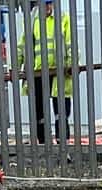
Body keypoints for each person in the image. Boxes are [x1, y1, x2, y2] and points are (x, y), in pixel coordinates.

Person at [25, 0, 72, 145]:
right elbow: (23, 44)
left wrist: (71, 63)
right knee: (40, 110)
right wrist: (17, 65)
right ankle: (44, 142)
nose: (47, 7)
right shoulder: (33, 21)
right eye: (45, 4)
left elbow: (70, 43)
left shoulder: (63, 19)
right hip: (38, 71)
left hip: (60, 71)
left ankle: (62, 143)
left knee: (61, 111)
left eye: (50, 3)